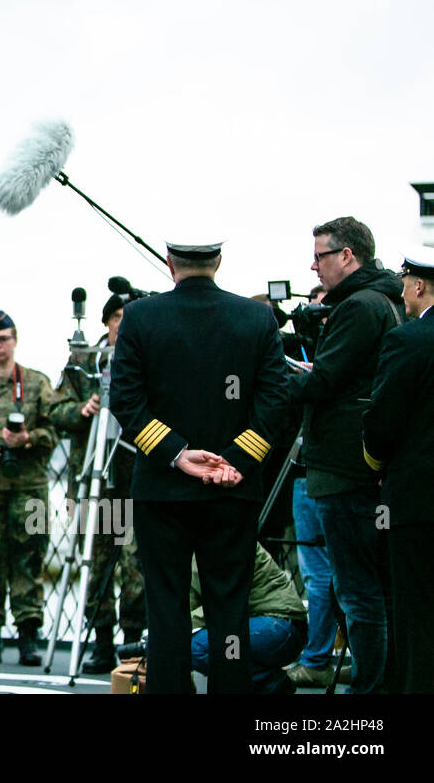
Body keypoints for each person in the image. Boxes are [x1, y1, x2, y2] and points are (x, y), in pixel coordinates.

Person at [110, 237, 289, 694]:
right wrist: (234, 460)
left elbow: (126, 401)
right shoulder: (256, 318)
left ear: (171, 262)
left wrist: (176, 452)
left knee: (166, 610)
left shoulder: (141, 317)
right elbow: (275, 403)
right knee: (229, 608)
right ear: (219, 261)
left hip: (162, 489)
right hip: (232, 490)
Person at [288, 216, 403, 694]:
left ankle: (369, 693)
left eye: (320, 256)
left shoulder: (359, 307)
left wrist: (272, 366)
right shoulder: (386, 301)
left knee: (356, 593)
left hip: (345, 467)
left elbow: (323, 382)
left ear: (347, 256)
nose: (312, 267)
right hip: (370, 467)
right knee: (376, 590)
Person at [50, 292, 145, 673]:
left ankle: (133, 640)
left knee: (136, 565)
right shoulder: (83, 361)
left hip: (134, 477)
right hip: (94, 479)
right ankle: (101, 641)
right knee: (95, 559)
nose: (123, 323)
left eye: (129, 316)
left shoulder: (144, 357)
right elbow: (56, 409)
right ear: (106, 321)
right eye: (118, 316)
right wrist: (82, 409)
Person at [0, 310, 59, 667]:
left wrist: (26, 439)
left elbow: (54, 433)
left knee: (29, 559)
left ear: (15, 339)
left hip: (30, 486)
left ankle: (27, 637)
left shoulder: (37, 383)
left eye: (3, 338)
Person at [363, 249, 434, 693]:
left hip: (418, 503)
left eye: (406, 281)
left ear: (420, 286)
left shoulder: (410, 341)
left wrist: (375, 463)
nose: (403, 289)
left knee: (419, 616)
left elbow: (381, 424)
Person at [286, 282, 347, 688]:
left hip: (319, 473)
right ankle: (326, 654)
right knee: (333, 572)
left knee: (321, 572)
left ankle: (318, 656)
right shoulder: (304, 348)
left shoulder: (339, 349)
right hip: (315, 473)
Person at [190, 543, 307, 694]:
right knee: (194, 644)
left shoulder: (216, 542)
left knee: (195, 648)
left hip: (278, 624)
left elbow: (217, 607)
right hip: (275, 625)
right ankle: (264, 680)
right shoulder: (197, 545)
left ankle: (270, 682)